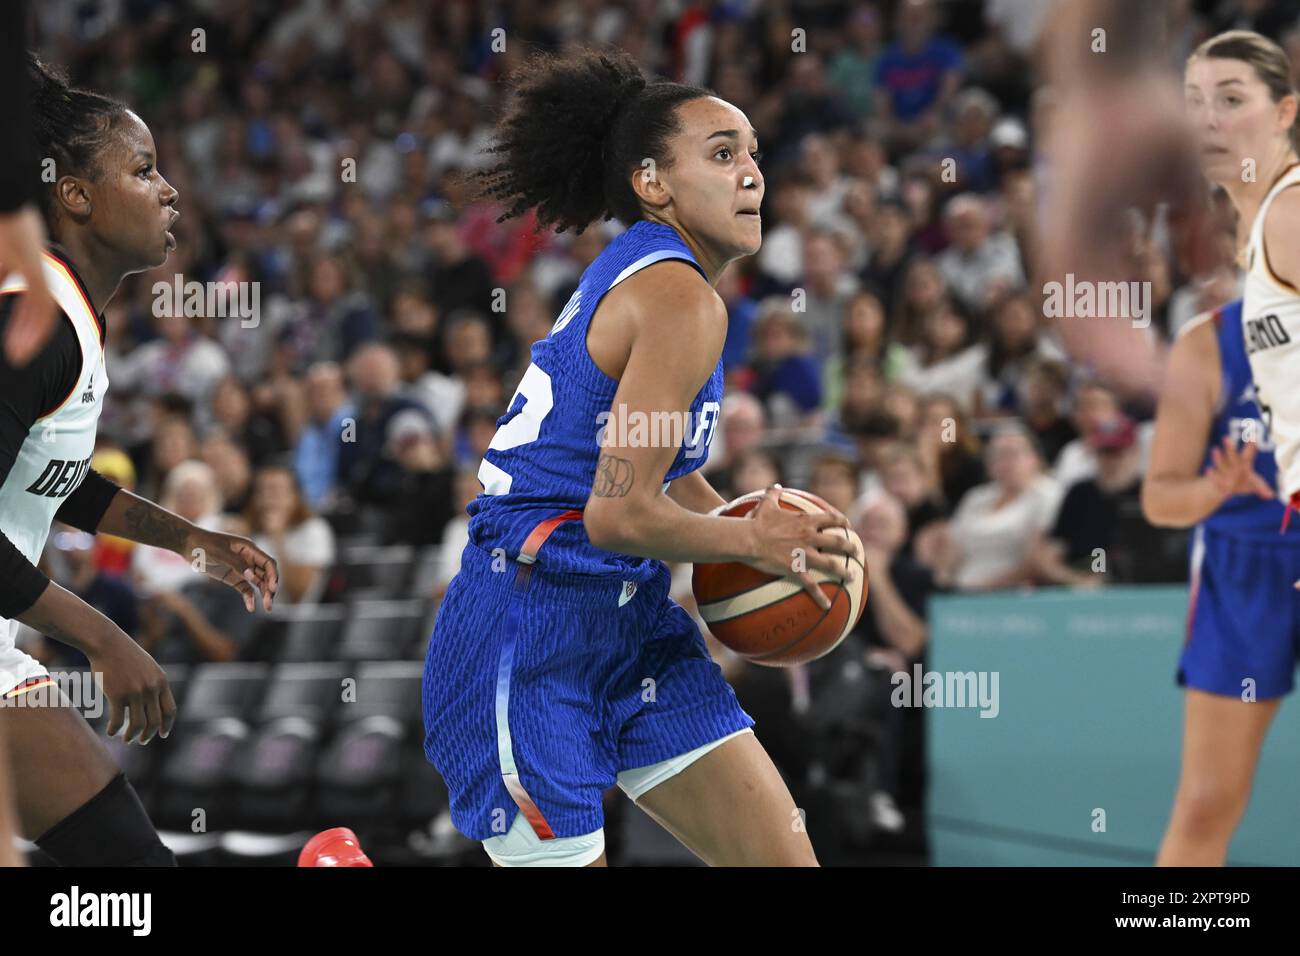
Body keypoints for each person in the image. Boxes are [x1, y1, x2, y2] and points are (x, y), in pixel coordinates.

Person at [423, 47, 856, 867]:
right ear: (653, 182)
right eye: (723, 154)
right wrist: (752, 544)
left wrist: (746, 519)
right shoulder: (677, 296)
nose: (753, 174)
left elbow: (652, 470)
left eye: (755, 153)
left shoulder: (667, 282)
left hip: (630, 626)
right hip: (530, 623)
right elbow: (618, 512)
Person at [0, 56, 277, 867]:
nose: (170, 191)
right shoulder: (36, 319)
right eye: (144, 169)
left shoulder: (56, 311)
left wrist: (193, 540)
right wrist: (104, 637)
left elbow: (49, 480)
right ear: (76, 195)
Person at [1142, 299, 1295, 866]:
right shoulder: (1211, 340)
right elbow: (1160, 499)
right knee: (1208, 802)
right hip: (1243, 569)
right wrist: (1215, 490)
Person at [1186, 31, 1300, 533]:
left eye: (1231, 100)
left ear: (1284, 113)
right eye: (1194, 102)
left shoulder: (1290, 214)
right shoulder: (1256, 225)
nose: (1208, 120)